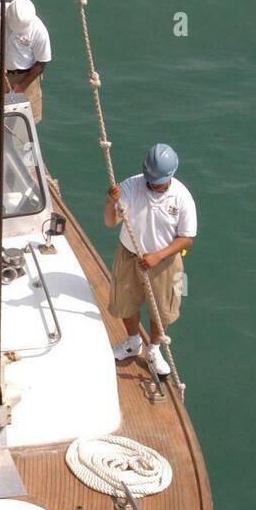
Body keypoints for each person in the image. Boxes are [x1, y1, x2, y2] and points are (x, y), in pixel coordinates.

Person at [104, 144, 197, 378]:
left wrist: (158, 256)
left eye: (159, 181)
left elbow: (187, 239)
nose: (154, 185)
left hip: (165, 261)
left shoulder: (183, 196)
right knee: (124, 301)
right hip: (128, 255)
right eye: (151, 180)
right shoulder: (130, 186)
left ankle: (154, 349)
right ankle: (133, 342)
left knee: (163, 311)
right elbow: (110, 222)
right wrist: (110, 202)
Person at [0, 0, 51, 119]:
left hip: (24, 77)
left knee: (25, 119)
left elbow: (41, 63)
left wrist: (21, 86)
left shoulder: (39, 32)